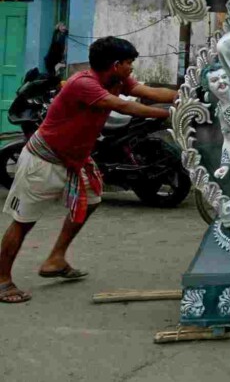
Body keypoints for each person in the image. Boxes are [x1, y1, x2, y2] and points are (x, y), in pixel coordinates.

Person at [0, 37, 176, 305]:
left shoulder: (118, 80)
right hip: (43, 160)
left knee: (91, 200)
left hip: (76, 159)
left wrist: (187, 97)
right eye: (129, 63)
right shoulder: (83, 83)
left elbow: (149, 92)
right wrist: (171, 115)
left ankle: (55, 259)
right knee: (23, 222)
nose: (132, 68)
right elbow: (124, 106)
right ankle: (2, 281)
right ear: (116, 65)